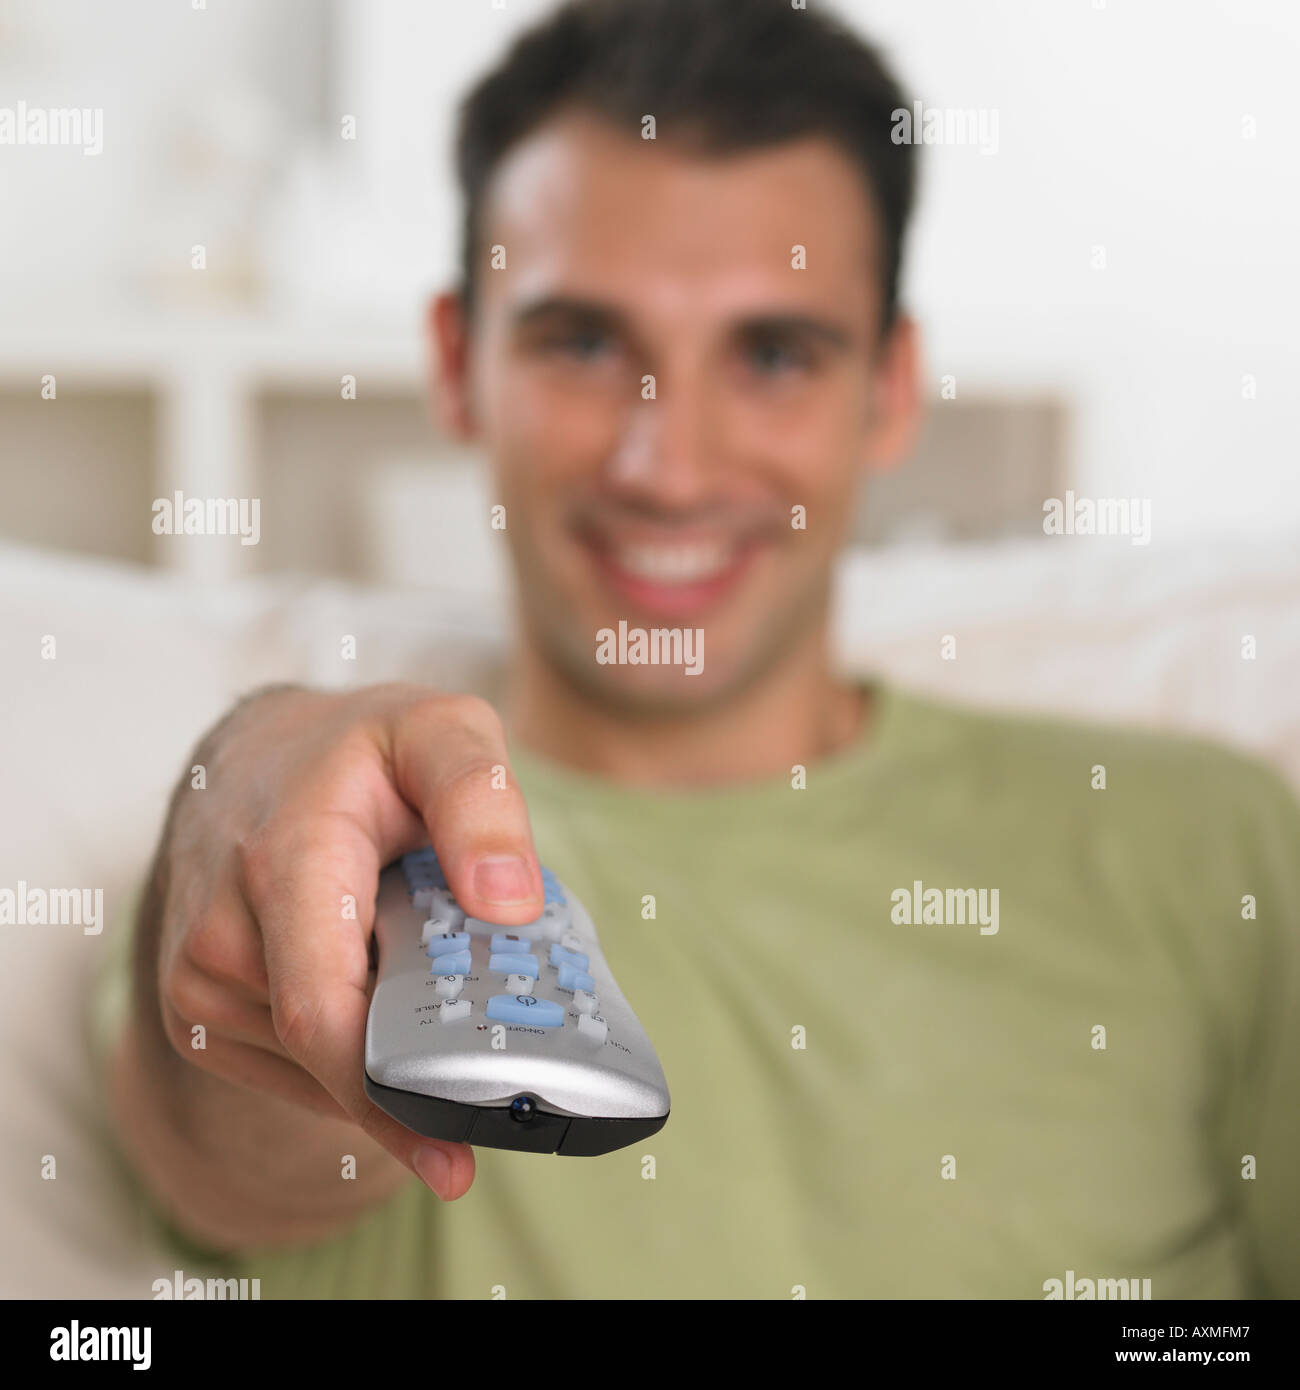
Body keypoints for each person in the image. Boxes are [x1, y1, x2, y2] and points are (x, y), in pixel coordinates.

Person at [95, 0, 1300, 1298]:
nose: (667, 466)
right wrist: (246, 771)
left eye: (775, 352)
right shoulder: (311, 854)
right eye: (586, 342)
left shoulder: (1210, 841)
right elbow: (232, 1156)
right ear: (456, 364)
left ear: (891, 388)